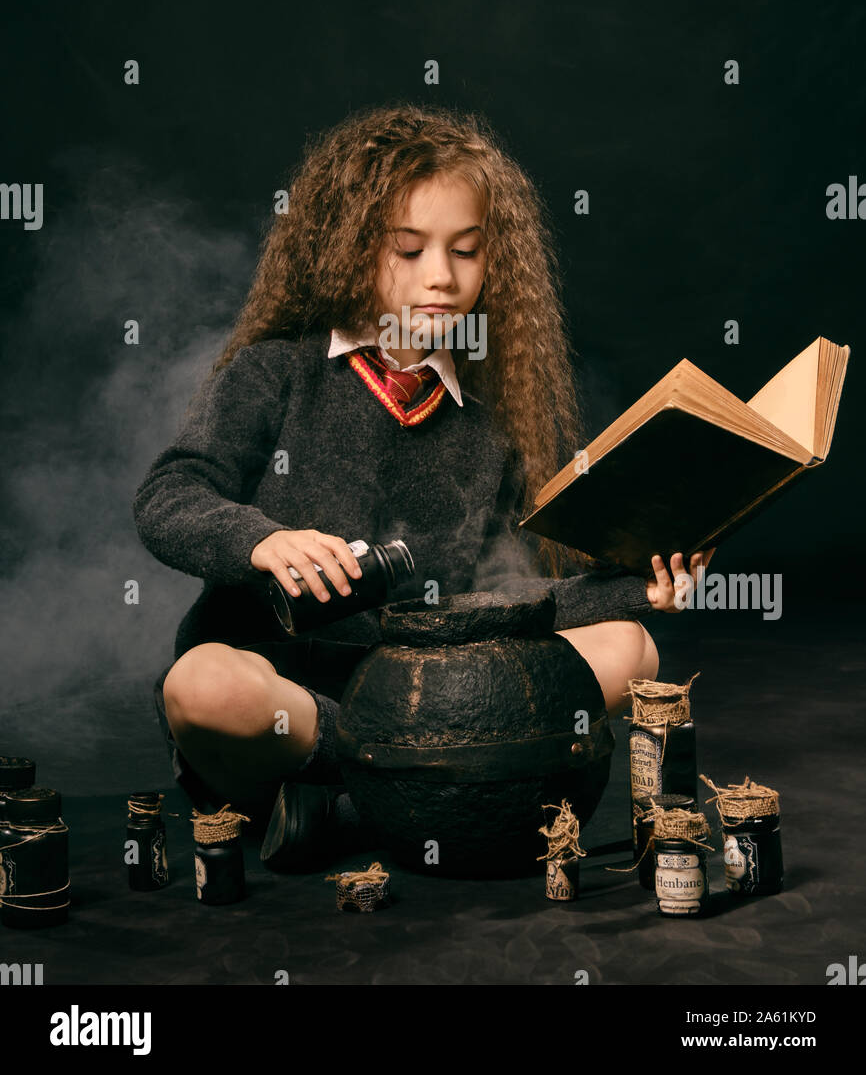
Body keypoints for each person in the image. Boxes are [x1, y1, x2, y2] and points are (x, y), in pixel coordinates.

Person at [132, 103, 713, 869]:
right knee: (200, 685)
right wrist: (262, 540)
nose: (440, 277)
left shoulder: (489, 427)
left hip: (424, 701)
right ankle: (399, 791)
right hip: (285, 692)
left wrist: (642, 588)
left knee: (629, 649)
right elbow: (169, 496)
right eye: (408, 250)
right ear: (347, 248)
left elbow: (516, 601)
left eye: (466, 252)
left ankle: (348, 802)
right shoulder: (275, 372)